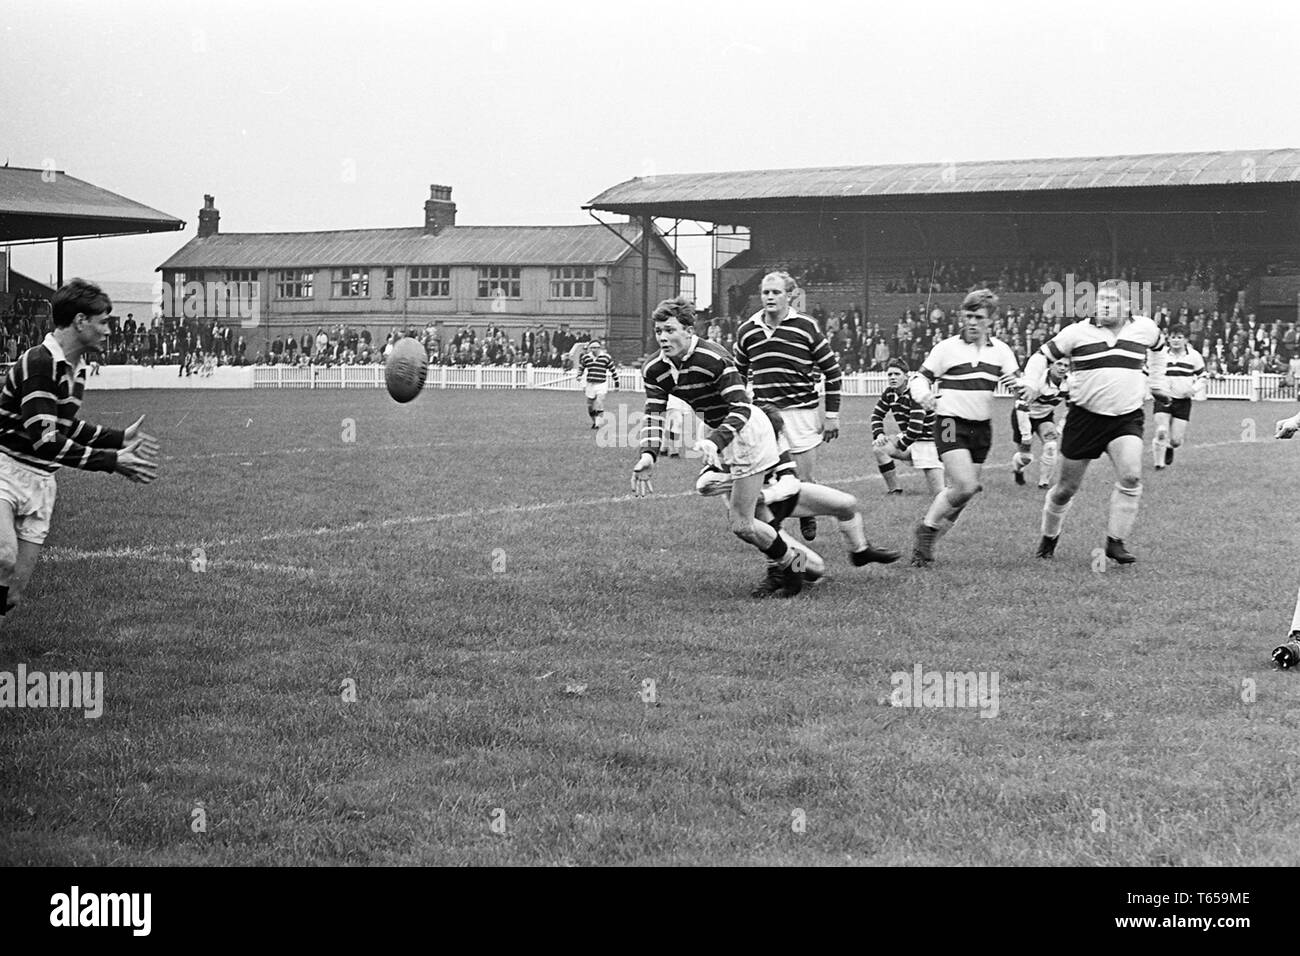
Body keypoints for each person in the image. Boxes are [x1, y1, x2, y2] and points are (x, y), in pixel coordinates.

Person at [0, 279, 159, 618]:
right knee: (3, 556)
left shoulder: (78, 369)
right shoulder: (39, 362)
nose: (107, 330)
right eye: (103, 322)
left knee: (12, 591)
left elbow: (63, 426)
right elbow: (46, 439)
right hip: (6, 471)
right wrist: (111, 461)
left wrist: (118, 438)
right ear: (80, 321)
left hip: (43, 481)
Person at [631, 296, 806, 598]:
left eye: (670, 330)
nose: (662, 337)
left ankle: (792, 570)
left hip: (748, 434)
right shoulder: (655, 369)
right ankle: (795, 568)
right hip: (721, 436)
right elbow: (654, 414)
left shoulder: (714, 358)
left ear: (688, 329)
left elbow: (741, 407)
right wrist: (649, 454)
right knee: (760, 520)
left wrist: (715, 440)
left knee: (742, 523)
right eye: (658, 330)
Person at [1022, 279, 1170, 564]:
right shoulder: (1077, 333)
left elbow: (1159, 349)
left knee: (1131, 476)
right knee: (1065, 489)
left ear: (1128, 305)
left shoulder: (1145, 328)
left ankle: (1115, 542)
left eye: (1112, 300)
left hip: (1126, 418)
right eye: (1099, 299)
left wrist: (1158, 384)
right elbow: (1041, 356)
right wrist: (1030, 382)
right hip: (1085, 419)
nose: (1103, 304)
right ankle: (1049, 537)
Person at [697, 405, 900, 595]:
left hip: (779, 495)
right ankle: (779, 572)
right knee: (815, 569)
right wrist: (739, 484)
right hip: (758, 510)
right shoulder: (734, 443)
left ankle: (860, 551)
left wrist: (766, 494)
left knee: (846, 503)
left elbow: (791, 480)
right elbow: (704, 484)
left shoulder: (772, 434)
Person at [908, 289, 1020, 566]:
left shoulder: (1001, 351)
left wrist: (1026, 389)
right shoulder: (946, 348)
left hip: (981, 429)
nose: (972, 322)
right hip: (949, 422)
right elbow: (919, 378)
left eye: (978, 317)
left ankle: (926, 545)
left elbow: (1016, 381)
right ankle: (926, 529)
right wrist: (923, 395)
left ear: (991, 320)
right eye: (968, 316)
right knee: (965, 485)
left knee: (963, 498)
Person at [732, 271, 842, 542]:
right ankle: (773, 533)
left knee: (803, 479)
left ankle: (807, 514)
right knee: (766, 479)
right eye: (765, 292)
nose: (770, 297)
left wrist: (831, 415)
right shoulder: (747, 330)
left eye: (776, 292)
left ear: (791, 295)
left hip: (801, 414)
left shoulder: (806, 327)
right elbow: (736, 375)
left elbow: (833, 370)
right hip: (765, 417)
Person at [870, 358, 944, 497]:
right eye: (890, 374)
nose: (892, 377)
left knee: (939, 494)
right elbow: (876, 415)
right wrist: (879, 435)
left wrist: (900, 443)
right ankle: (895, 491)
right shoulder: (889, 393)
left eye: (897, 374)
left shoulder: (915, 393)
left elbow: (916, 429)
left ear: (906, 376)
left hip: (929, 441)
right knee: (879, 448)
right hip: (910, 439)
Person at [1151, 324, 1205, 469]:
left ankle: (1169, 447)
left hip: (1183, 401)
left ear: (1186, 340)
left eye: (1179, 337)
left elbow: (1203, 377)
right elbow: (1147, 372)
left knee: (1176, 440)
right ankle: (1159, 464)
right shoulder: (1161, 354)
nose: (1176, 340)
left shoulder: (1194, 356)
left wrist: (1193, 389)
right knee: (1161, 430)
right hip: (1164, 398)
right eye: (1173, 337)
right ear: (1168, 338)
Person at [1011, 357, 1070, 488]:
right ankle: (1018, 468)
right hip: (1023, 416)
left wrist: (1059, 429)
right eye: (1059, 364)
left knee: (1051, 446)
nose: (1062, 368)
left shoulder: (1070, 383)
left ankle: (1044, 483)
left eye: (1066, 365)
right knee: (1025, 457)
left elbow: (1071, 408)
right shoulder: (1037, 382)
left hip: (1044, 417)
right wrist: (1026, 435)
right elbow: (1021, 407)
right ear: (1050, 365)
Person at [578, 340, 618, 429]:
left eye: (595, 347)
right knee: (590, 406)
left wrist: (616, 383)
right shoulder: (586, 357)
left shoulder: (606, 357)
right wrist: (579, 376)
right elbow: (581, 368)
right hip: (590, 384)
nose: (593, 349)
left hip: (601, 383)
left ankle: (598, 423)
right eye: (592, 347)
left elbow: (613, 370)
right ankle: (594, 421)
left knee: (599, 401)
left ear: (599, 348)